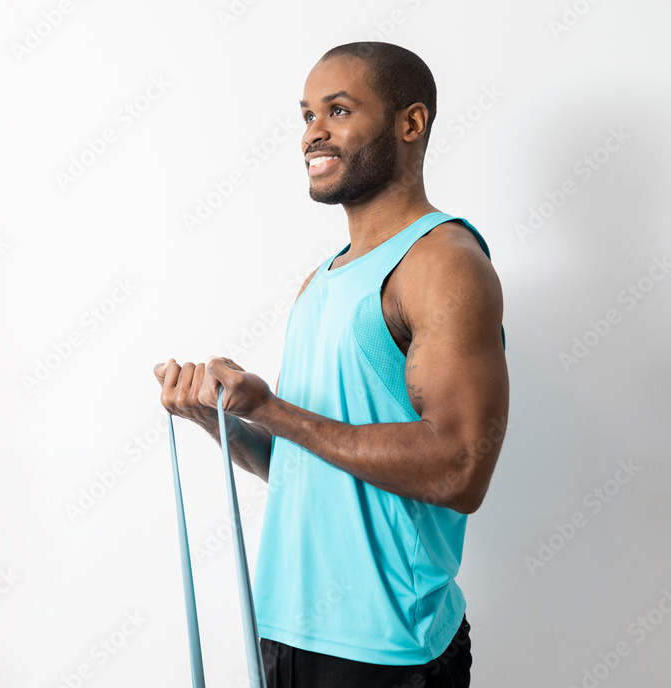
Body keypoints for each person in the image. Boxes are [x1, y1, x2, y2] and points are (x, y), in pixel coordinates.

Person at [153, 41, 509, 687]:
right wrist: (221, 420)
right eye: (307, 115)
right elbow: (305, 465)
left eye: (338, 110)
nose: (312, 134)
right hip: (287, 634)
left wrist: (272, 408)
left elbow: (460, 468)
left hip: (387, 651)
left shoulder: (443, 263)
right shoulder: (323, 279)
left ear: (410, 122)